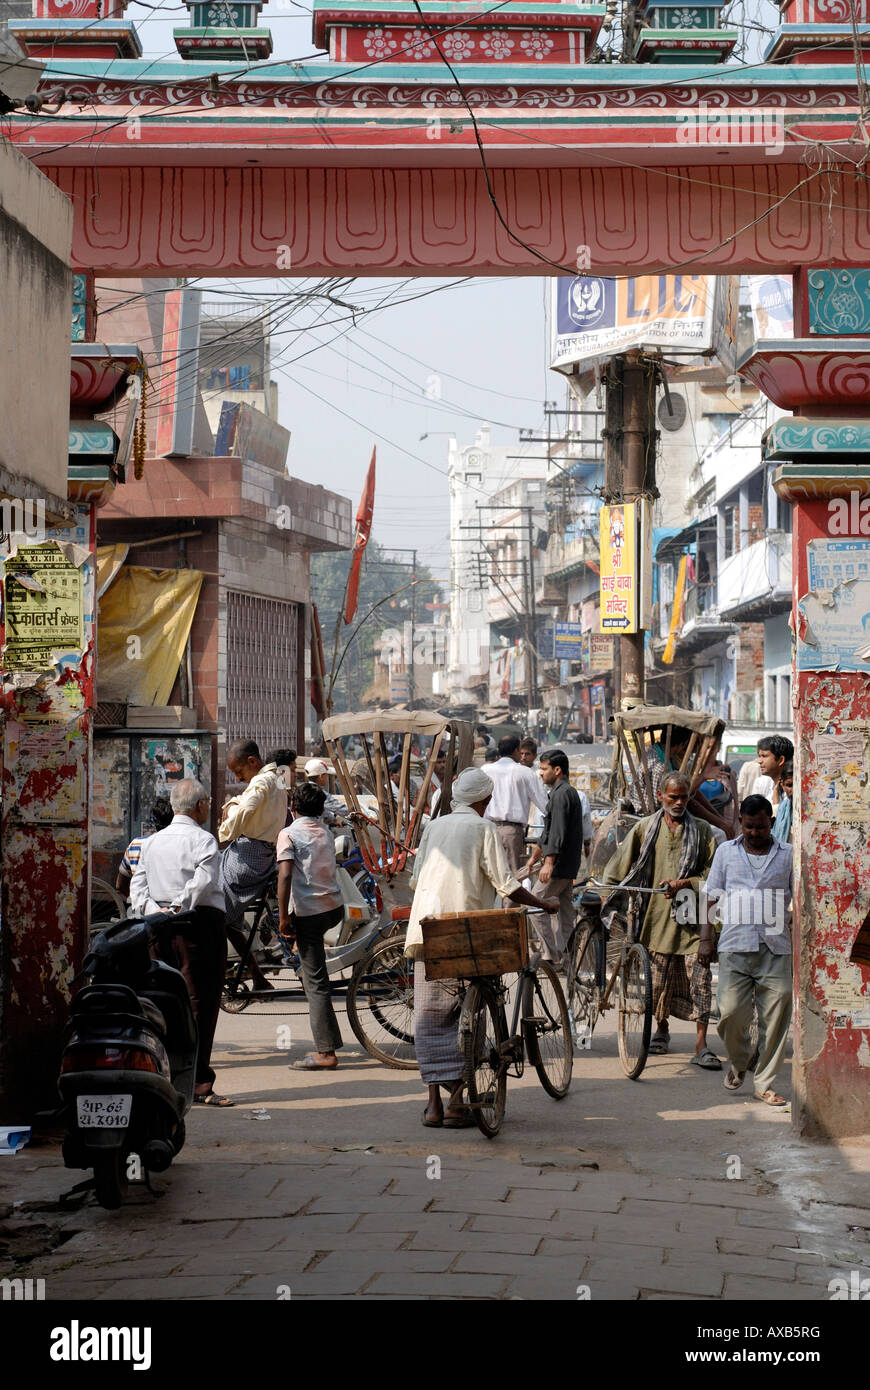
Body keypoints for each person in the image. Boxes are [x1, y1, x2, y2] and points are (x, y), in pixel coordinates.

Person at [404, 767, 560, 1128]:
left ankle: (433, 1106)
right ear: (485, 800)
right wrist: (544, 904)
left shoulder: (434, 826)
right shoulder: (484, 828)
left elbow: (415, 879)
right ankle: (458, 1103)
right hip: (466, 933)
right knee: (468, 1014)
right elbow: (505, 885)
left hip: (427, 931)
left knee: (429, 1015)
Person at [601, 771, 720, 1066]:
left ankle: (701, 1043)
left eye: (684, 797)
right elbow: (619, 866)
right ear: (660, 797)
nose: (679, 802)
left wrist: (686, 882)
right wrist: (607, 895)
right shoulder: (645, 828)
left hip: (694, 920)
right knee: (658, 983)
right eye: (673, 797)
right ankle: (661, 1029)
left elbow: (714, 875)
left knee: (700, 981)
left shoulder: (703, 831)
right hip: (655, 919)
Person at [130, 779, 232, 1106]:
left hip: (157, 928)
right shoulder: (204, 840)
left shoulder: (152, 842)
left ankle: (166, 1077)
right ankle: (199, 1081)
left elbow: (138, 888)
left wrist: (155, 911)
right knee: (199, 1003)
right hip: (197, 927)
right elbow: (203, 882)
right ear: (200, 805)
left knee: (163, 1001)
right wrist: (176, 907)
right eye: (208, 803)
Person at [702, 795, 794, 1106]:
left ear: (771, 822)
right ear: (741, 822)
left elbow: (802, 898)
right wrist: (705, 939)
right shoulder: (726, 852)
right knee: (728, 1012)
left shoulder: (788, 855)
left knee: (778, 1013)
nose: (754, 832)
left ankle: (764, 1083)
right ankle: (739, 1061)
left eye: (761, 827)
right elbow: (711, 896)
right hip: (734, 943)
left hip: (776, 946)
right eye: (749, 826)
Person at [276, 781, 345, 1072]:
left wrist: (283, 918)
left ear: (292, 807)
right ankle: (329, 1040)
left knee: (315, 984)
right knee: (313, 973)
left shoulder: (288, 833)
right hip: (334, 909)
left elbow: (284, 877)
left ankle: (325, 1052)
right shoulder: (325, 832)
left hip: (310, 914)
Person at [219, 739, 288, 993]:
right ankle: (257, 976)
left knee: (213, 911)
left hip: (247, 857)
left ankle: (241, 973)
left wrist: (226, 829)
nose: (238, 778)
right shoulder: (277, 778)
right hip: (263, 855)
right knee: (225, 921)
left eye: (239, 772)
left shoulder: (260, 781)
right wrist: (233, 803)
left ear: (252, 762)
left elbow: (247, 806)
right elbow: (247, 799)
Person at [526, 749, 591, 967]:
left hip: (560, 866)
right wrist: (535, 856)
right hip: (567, 865)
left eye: (544, 769)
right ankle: (570, 959)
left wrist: (549, 862)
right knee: (565, 915)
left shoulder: (563, 794)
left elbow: (558, 833)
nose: (540, 773)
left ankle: (553, 955)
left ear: (557, 770)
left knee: (535, 906)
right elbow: (549, 830)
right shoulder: (562, 792)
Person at [483, 735, 549, 876]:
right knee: (512, 878)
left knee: (489, 876)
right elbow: (545, 805)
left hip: (487, 829)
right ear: (515, 751)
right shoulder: (524, 772)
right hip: (511, 833)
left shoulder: (485, 770)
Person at [116, 796, 173, 899]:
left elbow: (120, 885)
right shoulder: (180, 845)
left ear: (154, 821)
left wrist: (137, 900)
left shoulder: (136, 845)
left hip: (143, 909)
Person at [737, 734, 794, 806]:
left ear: (781, 760)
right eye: (759, 756)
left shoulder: (793, 787)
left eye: (764, 756)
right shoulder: (762, 782)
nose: (759, 761)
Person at [773, 761, 793, 844]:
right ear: (782, 785)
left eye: (798, 784)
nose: (794, 790)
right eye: (789, 785)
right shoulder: (777, 811)